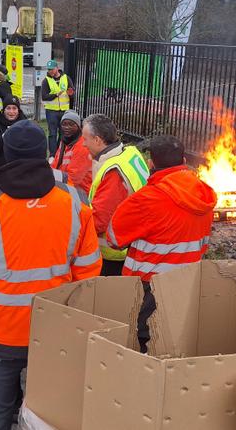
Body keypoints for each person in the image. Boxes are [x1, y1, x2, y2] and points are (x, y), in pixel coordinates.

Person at [0, 120, 101, 430]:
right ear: (44, 153)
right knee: (49, 414)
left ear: (6, 153)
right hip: (54, 330)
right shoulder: (76, 202)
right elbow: (88, 273)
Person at [107, 135, 217, 352]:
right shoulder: (203, 193)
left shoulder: (145, 199)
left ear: (151, 164)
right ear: (184, 161)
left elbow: (113, 238)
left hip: (148, 288)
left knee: (143, 343)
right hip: (187, 281)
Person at [82, 114, 150, 276]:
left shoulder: (114, 172)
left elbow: (99, 220)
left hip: (114, 253)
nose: (83, 144)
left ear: (98, 140)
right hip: (132, 243)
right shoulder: (128, 153)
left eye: (85, 139)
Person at [49, 110, 92, 195]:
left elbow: (74, 179)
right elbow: (55, 164)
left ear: (79, 127)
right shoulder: (65, 141)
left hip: (80, 193)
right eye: (64, 124)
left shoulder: (82, 146)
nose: (67, 127)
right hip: (65, 186)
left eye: (71, 124)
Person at [0, 95, 27, 174]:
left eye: (14, 108)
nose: (11, 112)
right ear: (3, 110)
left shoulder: (24, 124)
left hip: (19, 169)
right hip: (0, 168)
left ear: (18, 110)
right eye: (8, 108)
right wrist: (4, 136)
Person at [41, 59, 74, 154]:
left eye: (52, 69)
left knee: (63, 133)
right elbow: (44, 96)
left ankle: (60, 152)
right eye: (49, 69)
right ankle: (52, 154)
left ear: (57, 68)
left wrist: (71, 93)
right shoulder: (46, 81)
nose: (50, 71)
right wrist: (56, 95)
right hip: (51, 111)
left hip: (64, 111)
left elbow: (72, 92)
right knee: (52, 133)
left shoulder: (66, 78)